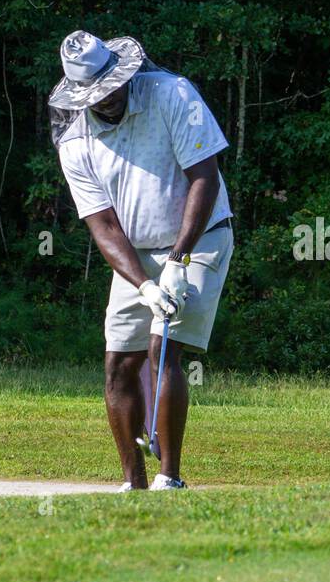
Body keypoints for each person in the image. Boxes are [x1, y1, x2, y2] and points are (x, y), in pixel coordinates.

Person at [49, 30, 233, 490]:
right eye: (96, 95)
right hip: (135, 257)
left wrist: (177, 260)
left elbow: (204, 178)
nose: (107, 99)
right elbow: (103, 226)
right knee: (118, 363)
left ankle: (168, 478)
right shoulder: (74, 141)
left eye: (112, 87)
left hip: (200, 237)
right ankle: (132, 482)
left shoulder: (172, 93)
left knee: (162, 346)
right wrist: (146, 285)